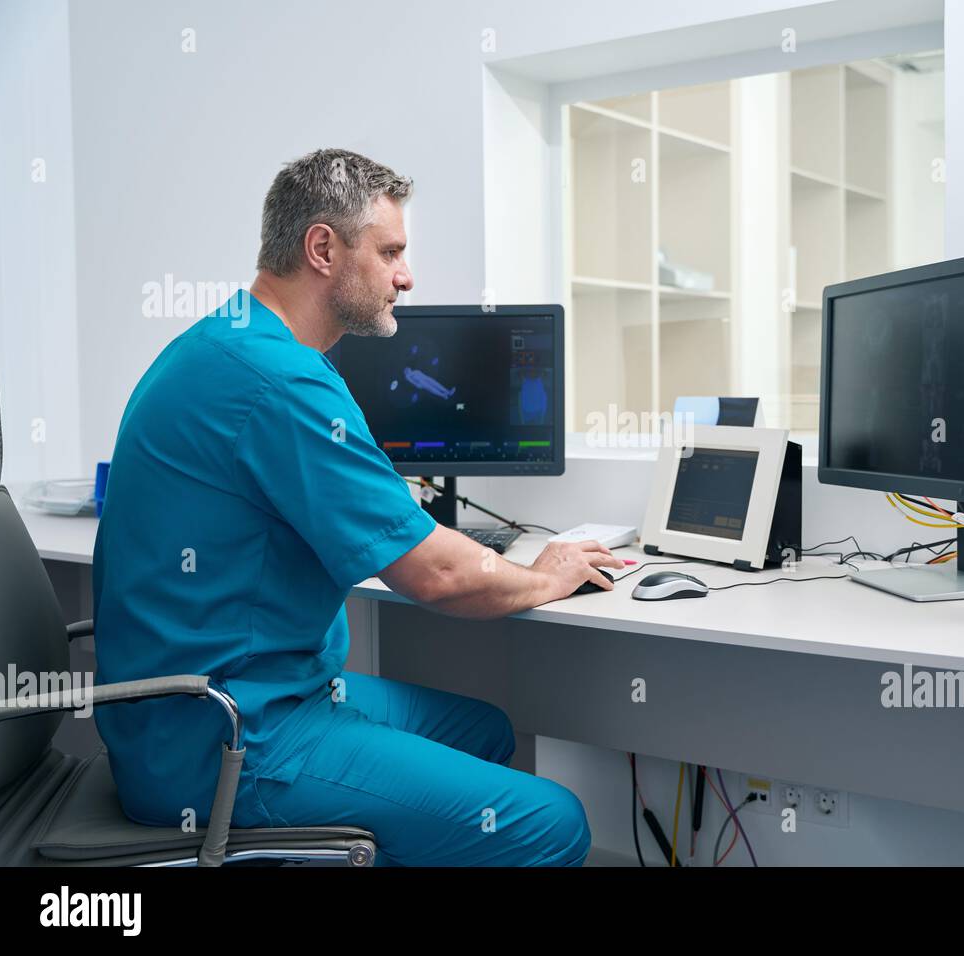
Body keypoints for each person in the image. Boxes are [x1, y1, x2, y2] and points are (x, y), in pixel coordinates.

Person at [92, 148, 622, 865]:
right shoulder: (281, 381)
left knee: (485, 730)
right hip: (229, 739)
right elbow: (435, 575)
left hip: (214, 706)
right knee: (551, 822)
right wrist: (547, 575)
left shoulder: (223, 342)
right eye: (391, 252)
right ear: (322, 248)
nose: (407, 276)